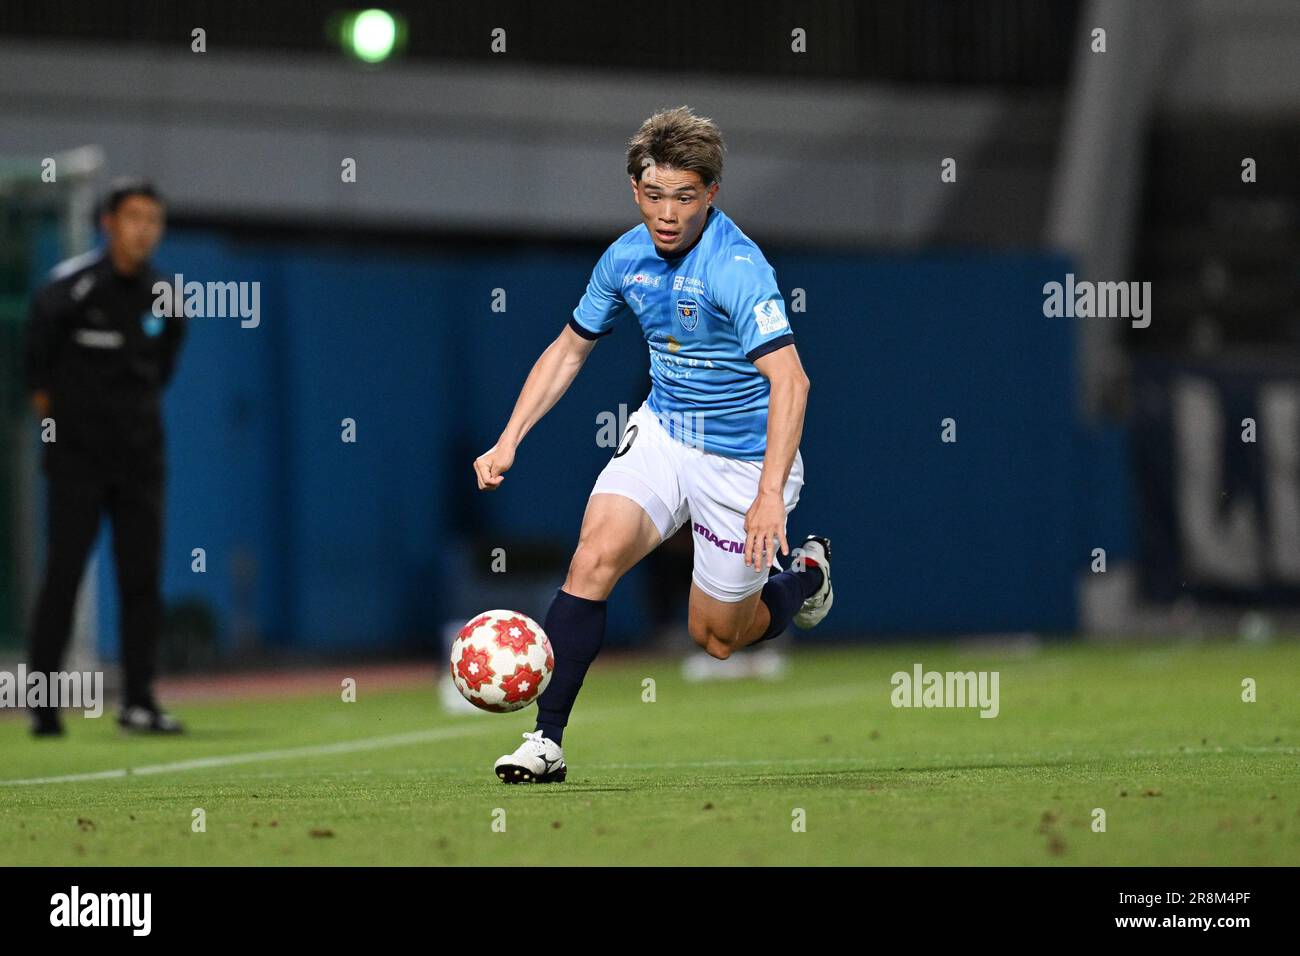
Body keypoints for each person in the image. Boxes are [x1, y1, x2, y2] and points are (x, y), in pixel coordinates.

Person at [473, 107, 832, 783]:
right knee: (594, 556)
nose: (668, 213)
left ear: (711, 194)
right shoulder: (624, 257)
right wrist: (508, 440)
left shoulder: (736, 266)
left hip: (744, 459)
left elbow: (792, 382)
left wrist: (766, 498)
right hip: (665, 432)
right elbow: (568, 351)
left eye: (686, 196)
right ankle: (545, 741)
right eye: (655, 194)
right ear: (636, 190)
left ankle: (807, 576)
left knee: (717, 638)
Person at [23, 178, 187, 736]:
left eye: (154, 220)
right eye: (134, 217)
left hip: (142, 460)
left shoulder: (168, 294)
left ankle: (138, 702)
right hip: (76, 462)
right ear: (108, 223)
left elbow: (162, 370)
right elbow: (36, 377)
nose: (145, 230)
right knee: (63, 574)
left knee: (142, 580)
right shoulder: (66, 290)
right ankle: (44, 706)